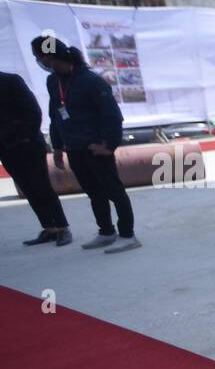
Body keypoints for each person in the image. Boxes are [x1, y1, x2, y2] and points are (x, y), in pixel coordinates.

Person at [29, 35, 139, 253]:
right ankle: (106, 231)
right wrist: (58, 147)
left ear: (49, 57)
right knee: (93, 193)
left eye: (39, 57)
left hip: (95, 148)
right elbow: (55, 115)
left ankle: (128, 234)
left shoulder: (90, 81)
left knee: (114, 191)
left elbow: (113, 116)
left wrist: (109, 145)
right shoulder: (54, 82)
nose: (39, 63)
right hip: (74, 148)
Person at [0, 70, 72, 246]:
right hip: (5, 147)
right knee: (27, 188)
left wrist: (24, 136)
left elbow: (33, 111)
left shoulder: (10, 81)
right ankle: (48, 227)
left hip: (28, 144)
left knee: (41, 185)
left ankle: (62, 227)